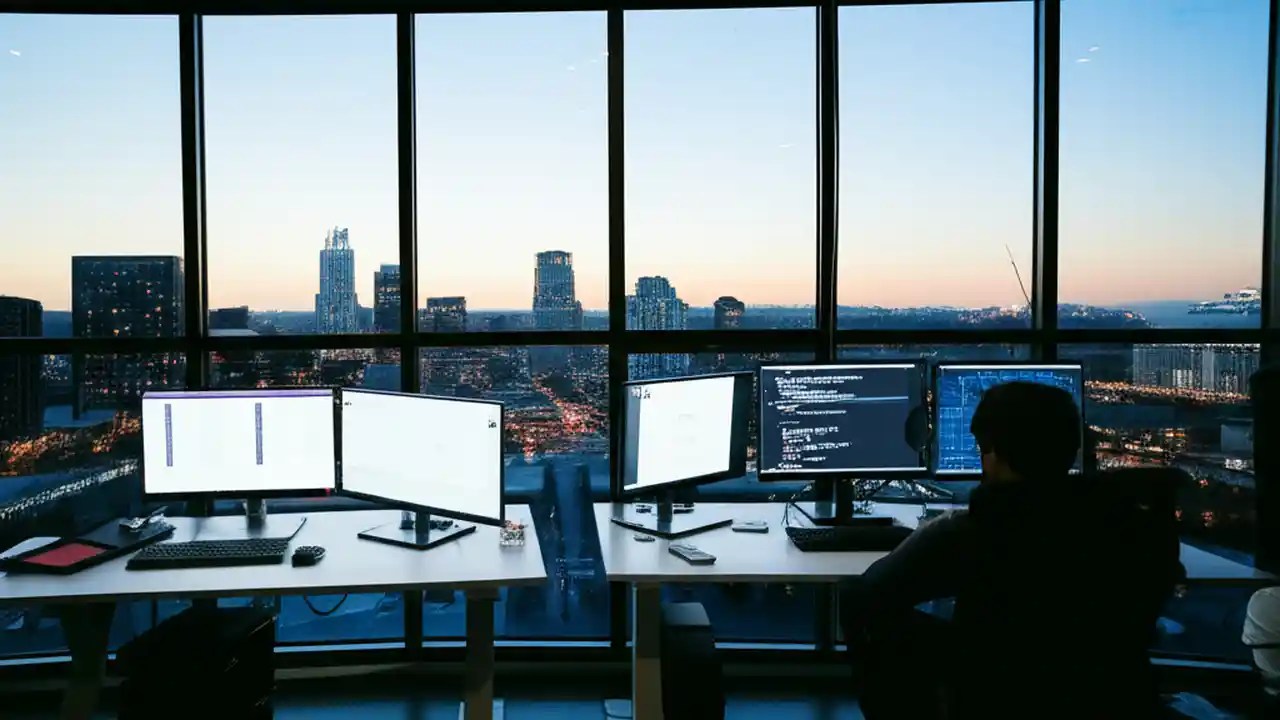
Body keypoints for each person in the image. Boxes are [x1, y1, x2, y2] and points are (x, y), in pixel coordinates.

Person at [840, 381, 1175, 720]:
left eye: (981, 449)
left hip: (995, 698)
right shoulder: (1134, 525)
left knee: (858, 601)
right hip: (1112, 697)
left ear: (994, 451)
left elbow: (872, 591)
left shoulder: (969, 531)